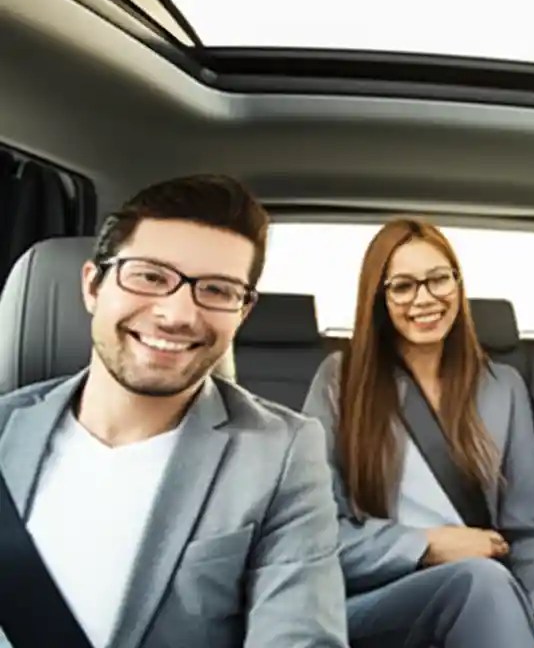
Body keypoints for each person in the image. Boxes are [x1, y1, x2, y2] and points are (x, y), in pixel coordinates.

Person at [0, 175, 346, 647]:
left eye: (218, 290)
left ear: (242, 313)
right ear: (93, 286)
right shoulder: (6, 428)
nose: (178, 315)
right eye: (150, 276)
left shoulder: (280, 454)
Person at [303, 217, 534, 648]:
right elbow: (314, 531)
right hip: (374, 598)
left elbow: (527, 525)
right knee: (481, 580)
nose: (425, 298)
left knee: (490, 584)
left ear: (458, 284)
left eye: (439, 279)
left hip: (486, 592)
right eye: (403, 286)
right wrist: (426, 546)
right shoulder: (341, 383)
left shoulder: (503, 387)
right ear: (378, 298)